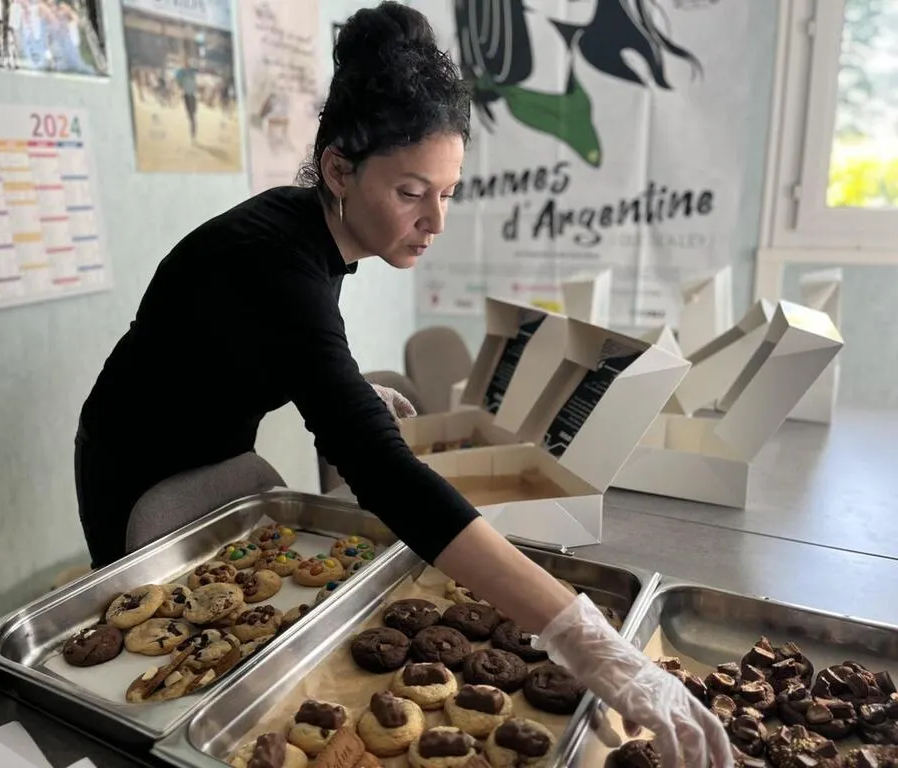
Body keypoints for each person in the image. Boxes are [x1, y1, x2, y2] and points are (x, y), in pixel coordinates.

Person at [75, 3, 731, 766]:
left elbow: (267, 346)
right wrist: (592, 647)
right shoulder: (273, 258)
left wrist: (346, 387)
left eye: (449, 192)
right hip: (136, 472)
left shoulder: (321, 237)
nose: (435, 220)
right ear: (339, 170)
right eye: (414, 192)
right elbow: (386, 474)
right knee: (146, 692)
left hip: (214, 449)